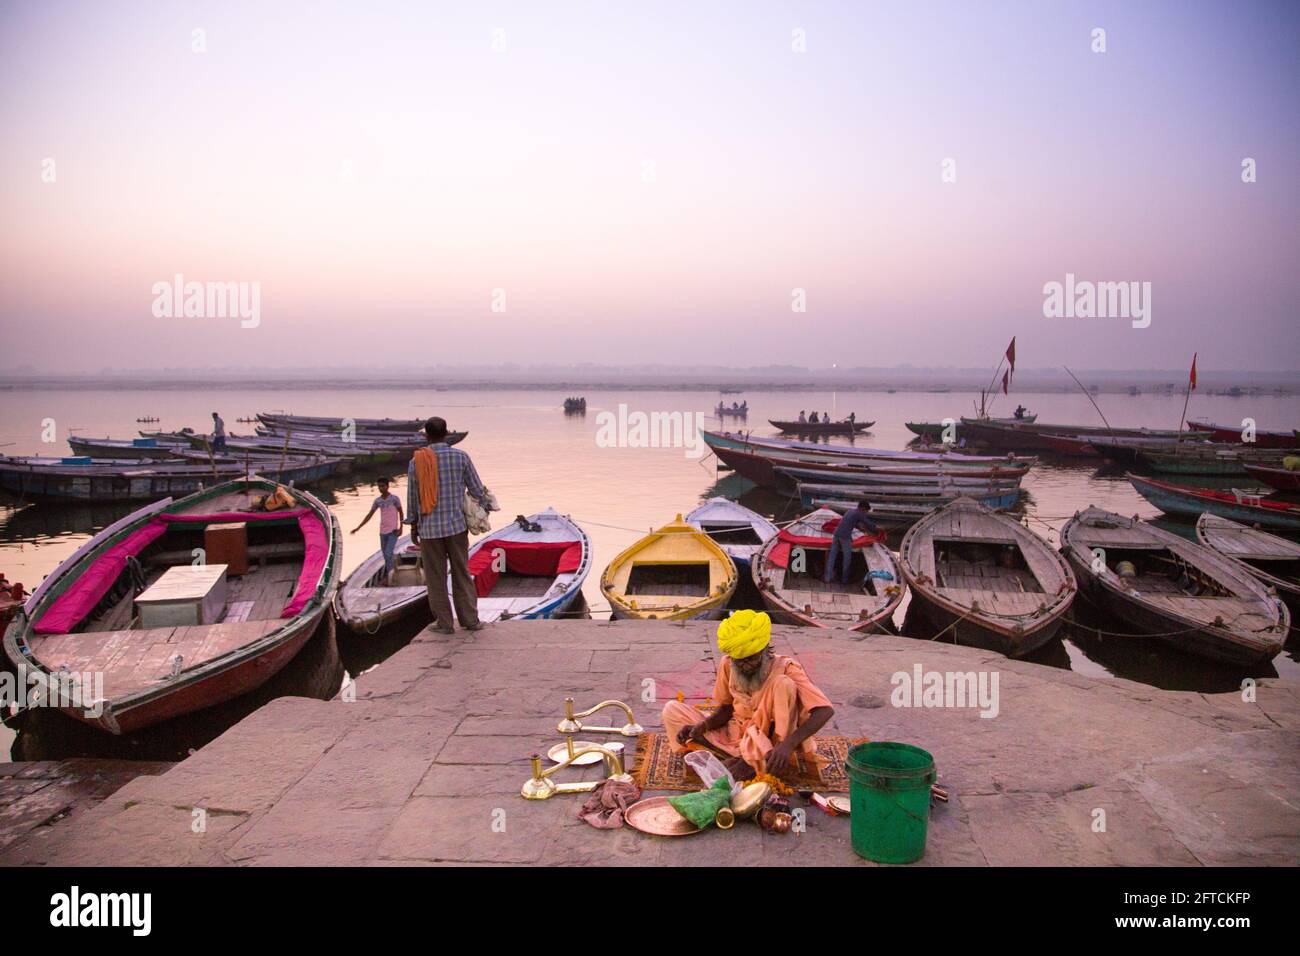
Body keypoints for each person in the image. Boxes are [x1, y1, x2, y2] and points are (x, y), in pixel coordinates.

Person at [661, 610, 834, 782]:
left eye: (751, 659)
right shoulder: (728, 663)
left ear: (765, 650)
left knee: (784, 684)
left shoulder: (787, 668)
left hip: (771, 742)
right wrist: (702, 726)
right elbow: (726, 708)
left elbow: (824, 710)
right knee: (672, 710)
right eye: (739, 660)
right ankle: (745, 759)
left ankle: (768, 758)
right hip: (737, 733)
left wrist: (788, 745)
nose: (745, 666)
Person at [407, 416, 492, 634]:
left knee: (435, 578)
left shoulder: (417, 461)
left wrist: (414, 526)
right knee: (461, 572)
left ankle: (444, 624)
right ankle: (470, 620)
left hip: (429, 529)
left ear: (427, 435)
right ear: (446, 434)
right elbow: (477, 489)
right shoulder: (461, 457)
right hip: (456, 527)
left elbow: (413, 498)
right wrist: (483, 509)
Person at [351, 477, 405, 579]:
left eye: (383, 486)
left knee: (388, 553)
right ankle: (392, 573)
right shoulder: (378, 501)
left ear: (388, 486)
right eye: (379, 486)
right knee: (385, 555)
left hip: (393, 531)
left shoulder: (394, 499)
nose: (381, 488)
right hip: (382, 532)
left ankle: (391, 577)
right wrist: (358, 528)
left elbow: (401, 512)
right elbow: (369, 515)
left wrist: (401, 527)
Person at [823, 499, 879, 585]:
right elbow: (868, 524)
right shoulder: (859, 513)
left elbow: (853, 523)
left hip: (836, 534)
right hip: (845, 537)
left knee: (832, 556)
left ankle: (827, 578)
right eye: (866, 511)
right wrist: (877, 529)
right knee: (847, 559)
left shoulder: (850, 511)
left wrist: (861, 528)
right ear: (863, 508)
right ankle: (844, 580)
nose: (865, 513)